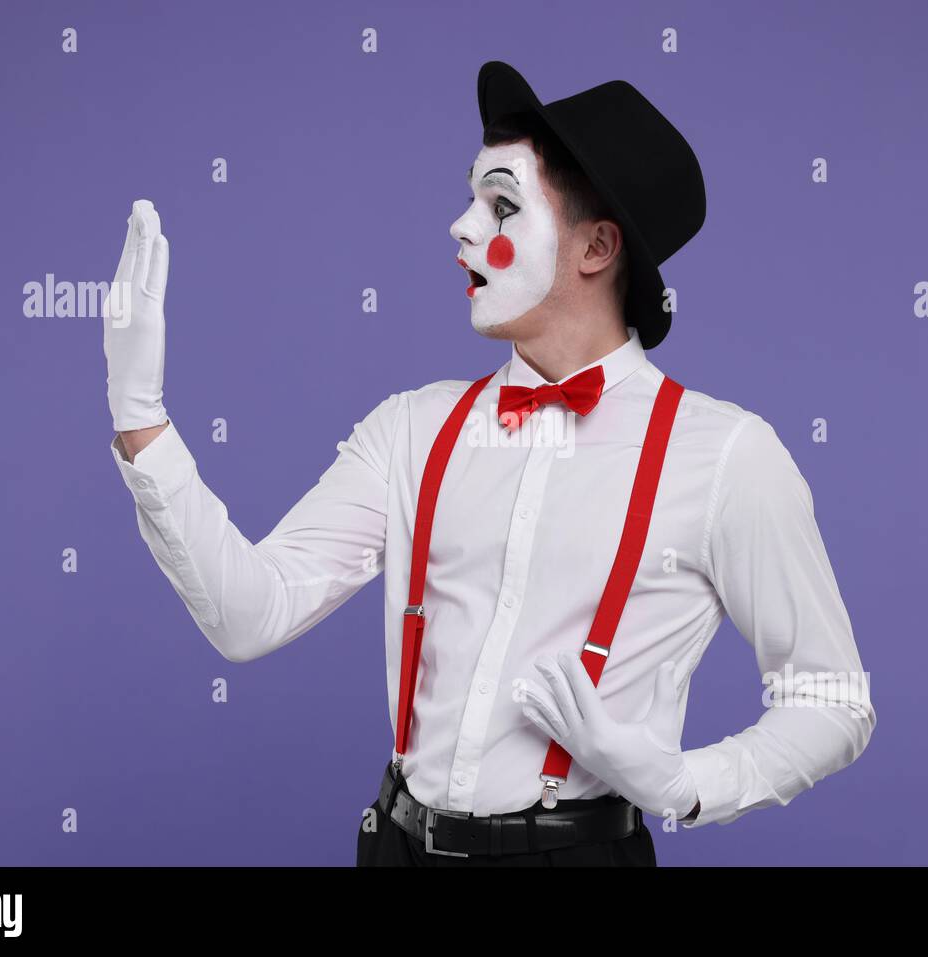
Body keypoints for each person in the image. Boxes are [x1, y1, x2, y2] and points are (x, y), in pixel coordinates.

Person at [101, 61, 876, 867]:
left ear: (597, 246)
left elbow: (832, 701)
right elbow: (248, 614)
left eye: (501, 204)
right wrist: (139, 419)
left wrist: (684, 781)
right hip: (396, 847)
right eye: (472, 197)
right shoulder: (413, 428)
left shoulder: (725, 456)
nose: (461, 227)